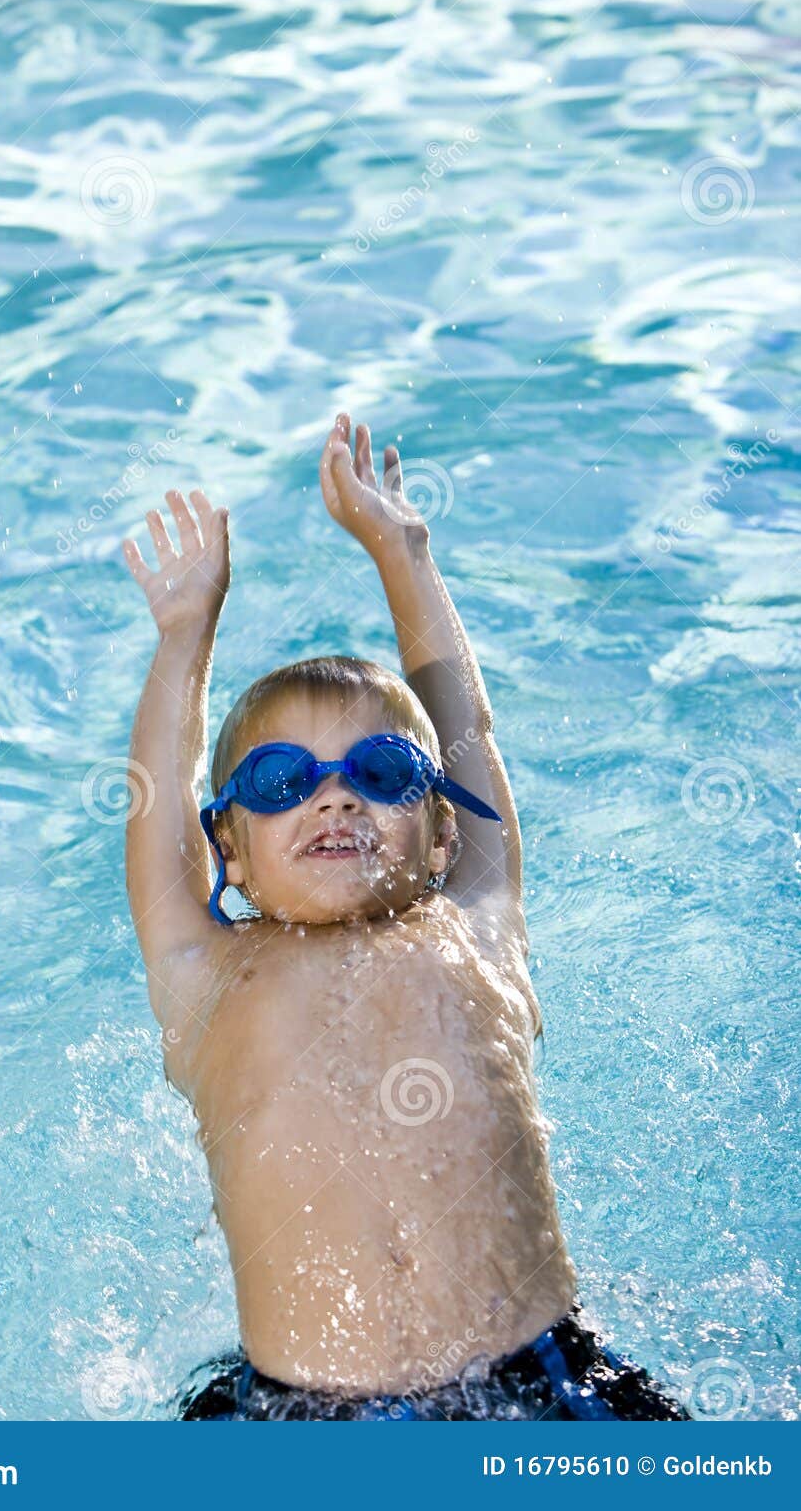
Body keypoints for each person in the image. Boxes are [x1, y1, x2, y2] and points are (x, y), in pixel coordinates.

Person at [121, 412, 688, 1421]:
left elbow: (463, 729)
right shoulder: (204, 973)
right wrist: (184, 635)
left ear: (439, 835)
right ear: (227, 854)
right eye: (280, 780)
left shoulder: (472, 922)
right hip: (301, 1413)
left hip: (541, 1380)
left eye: (378, 773)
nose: (332, 798)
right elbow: (157, 802)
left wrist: (403, 551)